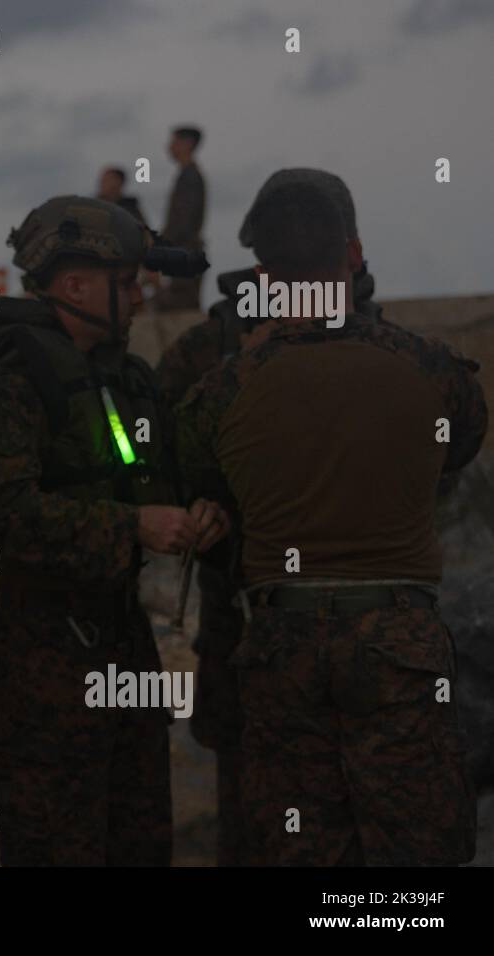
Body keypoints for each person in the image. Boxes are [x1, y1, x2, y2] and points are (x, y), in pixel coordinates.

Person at [175, 181, 487, 865]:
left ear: (263, 276)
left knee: (300, 849)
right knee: (413, 859)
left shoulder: (224, 389)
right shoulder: (433, 371)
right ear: (353, 252)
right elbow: (458, 447)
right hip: (399, 643)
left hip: (279, 642)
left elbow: (201, 477)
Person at [0, 196, 228, 865]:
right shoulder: (9, 386)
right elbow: (7, 518)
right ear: (73, 285)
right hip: (44, 657)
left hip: (125, 640)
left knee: (140, 834)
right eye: (126, 283)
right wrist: (133, 526)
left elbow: (168, 476)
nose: (140, 295)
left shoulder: (128, 380)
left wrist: (203, 512)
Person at [155, 167, 382, 865]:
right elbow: (154, 455)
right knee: (255, 833)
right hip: (250, 634)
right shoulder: (217, 347)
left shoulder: (383, 348)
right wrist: (205, 504)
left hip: (363, 645)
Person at [155, 126, 205, 311]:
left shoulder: (190, 177)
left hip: (185, 251)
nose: (170, 147)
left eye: (174, 142)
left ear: (187, 144)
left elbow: (182, 222)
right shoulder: (187, 175)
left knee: (181, 309)